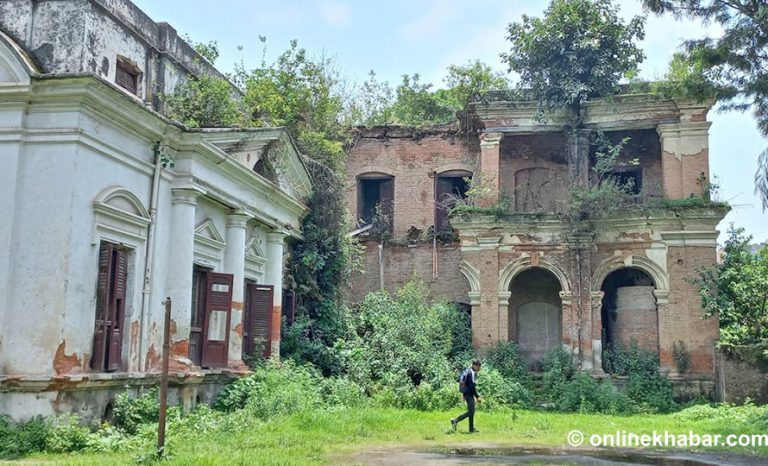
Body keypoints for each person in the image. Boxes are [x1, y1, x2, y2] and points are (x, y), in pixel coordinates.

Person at [451, 359, 482, 433]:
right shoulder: (472, 373)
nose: (479, 368)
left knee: (471, 411)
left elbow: (465, 383)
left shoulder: (468, 371)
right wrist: (477, 397)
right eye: (478, 367)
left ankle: (471, 428)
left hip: (467, 393)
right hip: (469, 394)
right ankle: (455, 420)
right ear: (474, 365)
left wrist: (464, 394)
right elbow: (472, 386)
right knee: (471, 411)